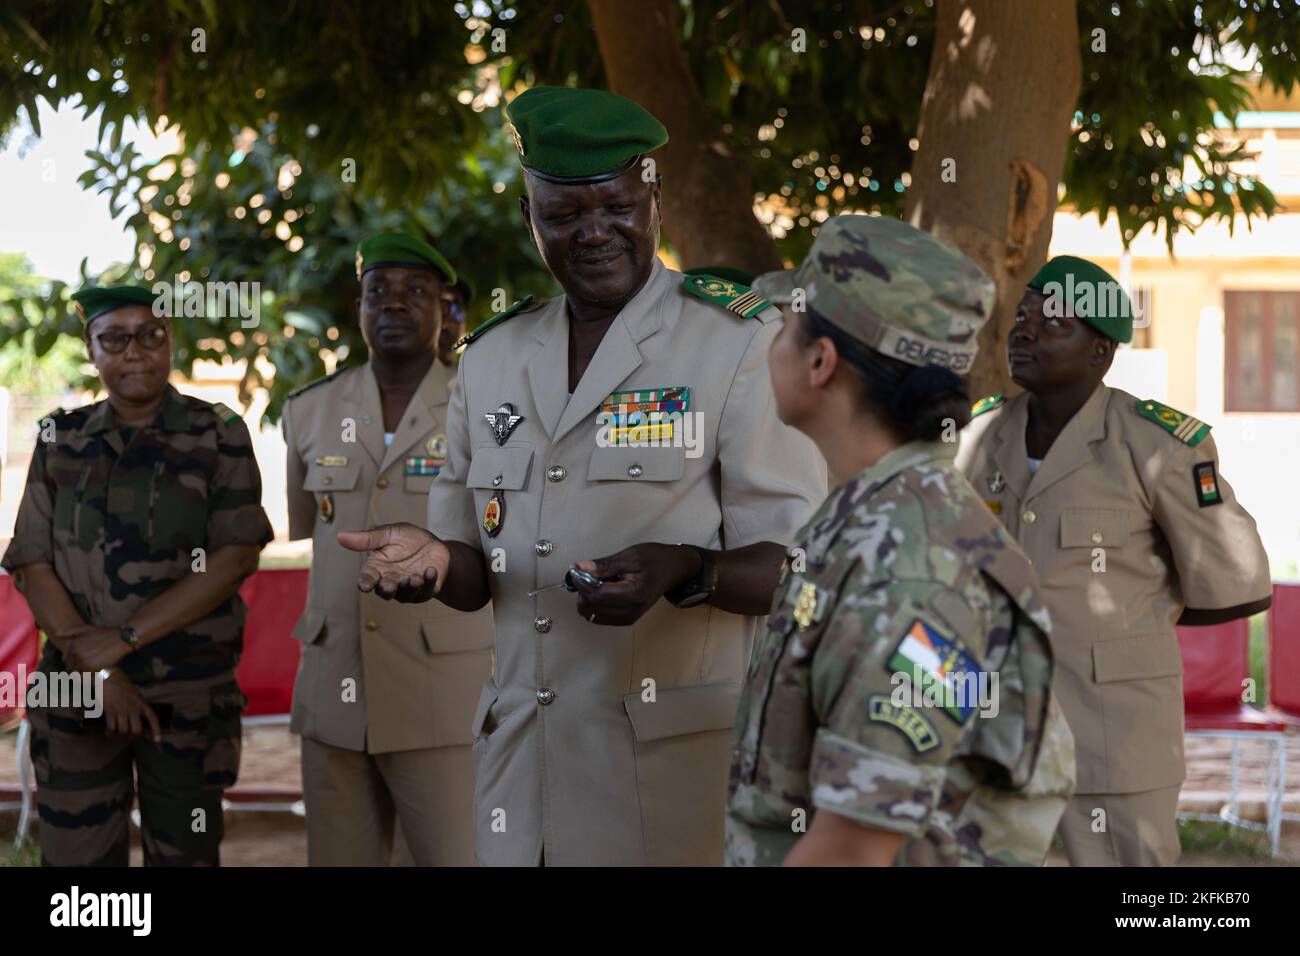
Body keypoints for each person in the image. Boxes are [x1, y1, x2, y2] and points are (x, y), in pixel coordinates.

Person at [337, 85, 827, 866]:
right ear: (531, 217)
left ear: (653, 198)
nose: (594, 232)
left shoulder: (734, 343)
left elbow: (799, 569)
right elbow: (474, 568)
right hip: (519, 773)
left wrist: (685, 569)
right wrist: (433, 562)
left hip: (671, 774)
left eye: (617, 206)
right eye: (564, 215)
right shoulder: (494, 357)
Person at [726, 215, 1076, 867]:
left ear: (820, 362)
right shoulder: (875, 516)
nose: (769, 345)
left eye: (782, 326)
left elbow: (855, 846)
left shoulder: (911, 561)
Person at [956, 255, 1272, 866]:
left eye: (1053, 323)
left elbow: (1234, 584)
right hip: (990, 731)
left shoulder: (1153, 445)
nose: (1025, 331)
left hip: (1112, 736)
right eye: (1022, 316)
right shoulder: (979, 438)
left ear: (1101, 351)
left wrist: (1128, 625)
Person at [2, 284, 273, 865]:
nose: (135, 352)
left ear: (170, 340)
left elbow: (234, 557)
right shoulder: (60, 437)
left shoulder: (219, 432)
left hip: (188, 689)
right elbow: (30, 561)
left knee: (186, 854)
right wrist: (96, 666)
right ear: (91, 348)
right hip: (77, 688)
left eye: (151, 335)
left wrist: (123, 641)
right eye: (115, 339)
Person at [282, 233, 495, 866]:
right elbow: (306, 529)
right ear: (359, 309)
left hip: (442, 696)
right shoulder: (309, 410)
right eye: (378, 291)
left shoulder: (483, 409)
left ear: (446, 308)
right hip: (333, 696)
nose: (393, 304)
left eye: (415, 292)